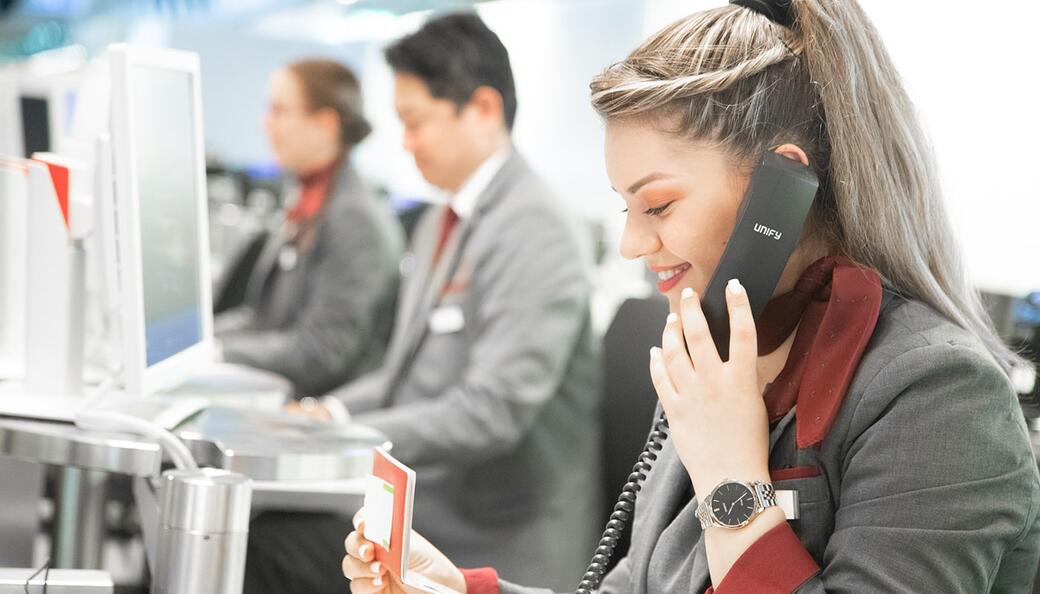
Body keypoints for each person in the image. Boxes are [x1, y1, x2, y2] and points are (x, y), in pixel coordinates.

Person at [342, 1, 1040, 593]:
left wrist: (732, 478)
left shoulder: (937, 393)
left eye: (658, 205)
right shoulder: (724, 358)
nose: (632, 246)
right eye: (625, 210)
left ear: (779, 191)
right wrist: (463, 589)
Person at [245, 13, 602, 593]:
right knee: (266, 530)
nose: (405, 143)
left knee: (264, 549)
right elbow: (402, 373)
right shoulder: (445, 216)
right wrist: (330, 413)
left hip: (490, 540)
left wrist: (352, 438)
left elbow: (492, 409)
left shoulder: (535, 227)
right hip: (427, 508)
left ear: (483, 109)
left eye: (415, 122)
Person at [214, 59, 403, 399]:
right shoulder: (306, 198)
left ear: (325, 125)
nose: (266, 123)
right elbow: (263, 317)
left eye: (279, 111)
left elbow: (321, 350)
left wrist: (216, 355)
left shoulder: (355, 220)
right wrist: (200, 343)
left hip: (316, 409)